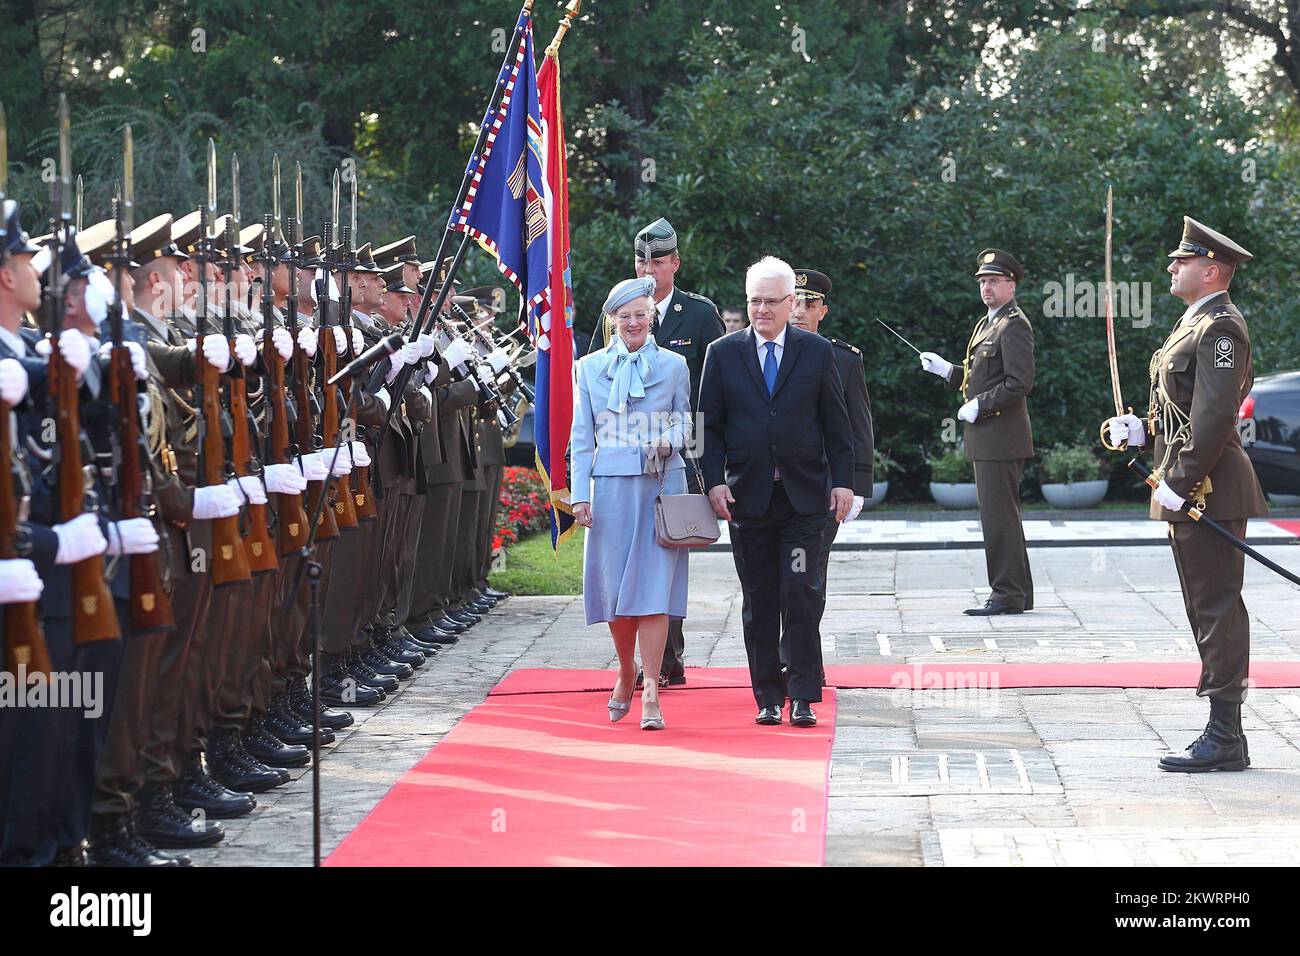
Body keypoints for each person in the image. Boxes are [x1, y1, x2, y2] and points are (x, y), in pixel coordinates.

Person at [1105, 217, 1266, 773]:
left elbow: (1217, 415)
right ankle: (1225, 731)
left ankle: (1225, 735)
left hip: (1208, 487)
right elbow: (1182, 410)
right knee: (1205, 604)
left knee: (1217, 605)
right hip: (1194, 484)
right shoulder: (1194, 323)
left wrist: (1178, 479)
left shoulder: (1221, 327)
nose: (1172, 267)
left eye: (1183, 260)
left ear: (1212, 269)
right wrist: (1142, 431)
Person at [698, 256, 854, 727]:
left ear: (792, 303)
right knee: (761, 597)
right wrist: (714, 482)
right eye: (754, 301)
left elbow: (837, 425)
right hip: (750, 501)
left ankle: (803, 693)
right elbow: (706, 427)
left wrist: (844, 482)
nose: (762, 309)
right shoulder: (722, 353)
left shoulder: (816, 351)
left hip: (804, 500)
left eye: (771, 301)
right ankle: (767, 694)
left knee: (801, 590)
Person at [591, 217, 724, 688]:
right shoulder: (617, 308)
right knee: (628, 560)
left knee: (669, 551)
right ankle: (649, 666)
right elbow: (596, 390)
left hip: (676, 458)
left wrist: (705, 465)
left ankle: (669, 658)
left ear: (675, 263)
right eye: (642, 259)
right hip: (623, 466)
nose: (650, 267)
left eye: (658, 260)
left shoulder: (700, 314)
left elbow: (709, 397)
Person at [571, 276, 692, 731]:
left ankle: (654, 692)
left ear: (652, 317)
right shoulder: (588, 368)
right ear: (613, 321)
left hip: (661, 486)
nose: (635, 322)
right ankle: (626, 672)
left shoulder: (676, 365)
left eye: (642, 314)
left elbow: (690, 426)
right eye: (626, 316)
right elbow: (581, 438)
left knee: (653, 591)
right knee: (616, 594)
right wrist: (580, 495)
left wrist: (667, 440)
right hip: (611, 490)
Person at [919, 248, 1035, 616]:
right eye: (983, 281)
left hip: (1000, 435)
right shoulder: (987, 323)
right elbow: (977, 376)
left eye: (994, 281)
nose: (986, 287)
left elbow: (1019, 382)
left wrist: (981, 405)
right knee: (1000, 517)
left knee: (999, 519)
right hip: (987, 436)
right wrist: (948, 372)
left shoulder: (1013, 323)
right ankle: (1016, 592)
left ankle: (1006, 595)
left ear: (1011, 285)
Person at [785, 268, 873, 683]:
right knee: (777, 575)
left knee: (807, 574)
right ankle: (791, 658)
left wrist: (857, 484)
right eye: (794, 302)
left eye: (809, 304)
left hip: (822, 488)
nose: (800, 312)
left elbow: (859, 426)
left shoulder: (842, 358)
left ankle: (800, 659)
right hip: (775, 485)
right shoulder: (763, 351)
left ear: (823, 310)